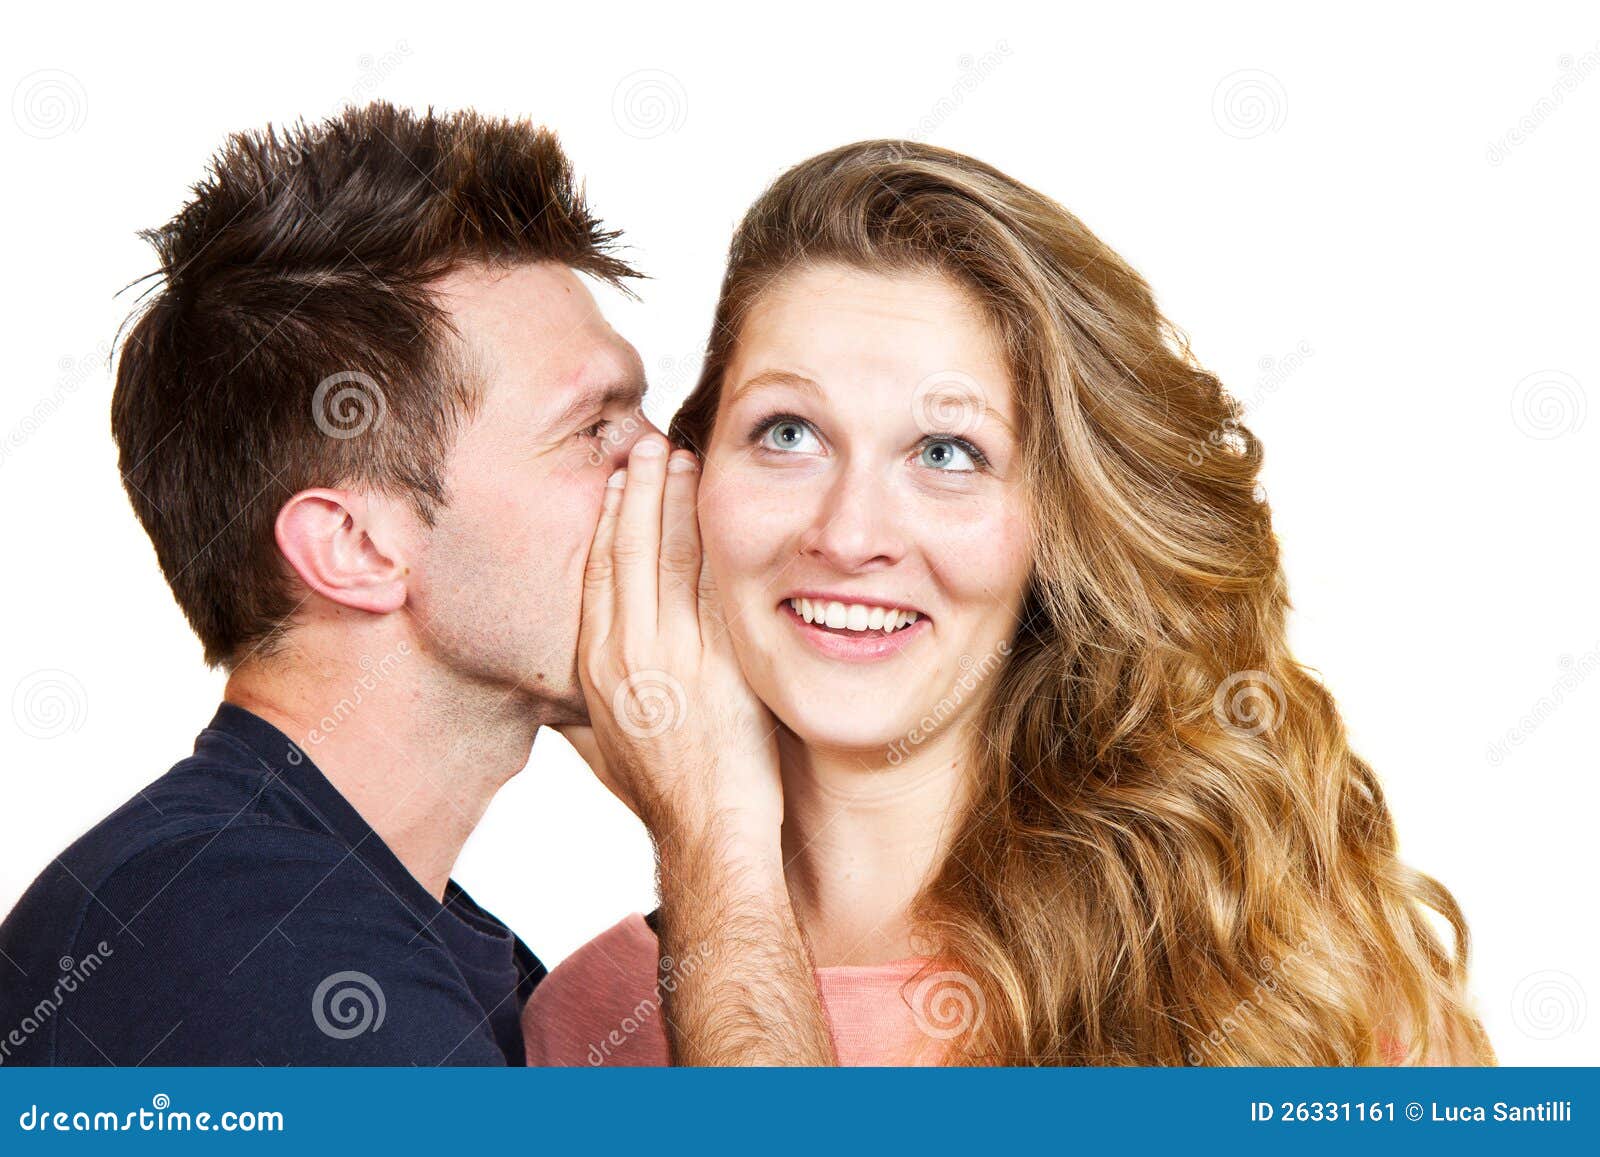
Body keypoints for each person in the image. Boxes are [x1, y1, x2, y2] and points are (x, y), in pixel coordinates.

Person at [523, 140, 1498, 1066]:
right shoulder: (592, 1020)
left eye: (947, 453)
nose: (849, 534)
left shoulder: (1286, 972)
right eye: (787, 433)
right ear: (688, 480)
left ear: (1055, 522)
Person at [0, 103, 833, 1066]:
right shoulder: (250, 944)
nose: (677, 467)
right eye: (594, 429)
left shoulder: (355, 920)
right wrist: (714, 821)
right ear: (355, 547)